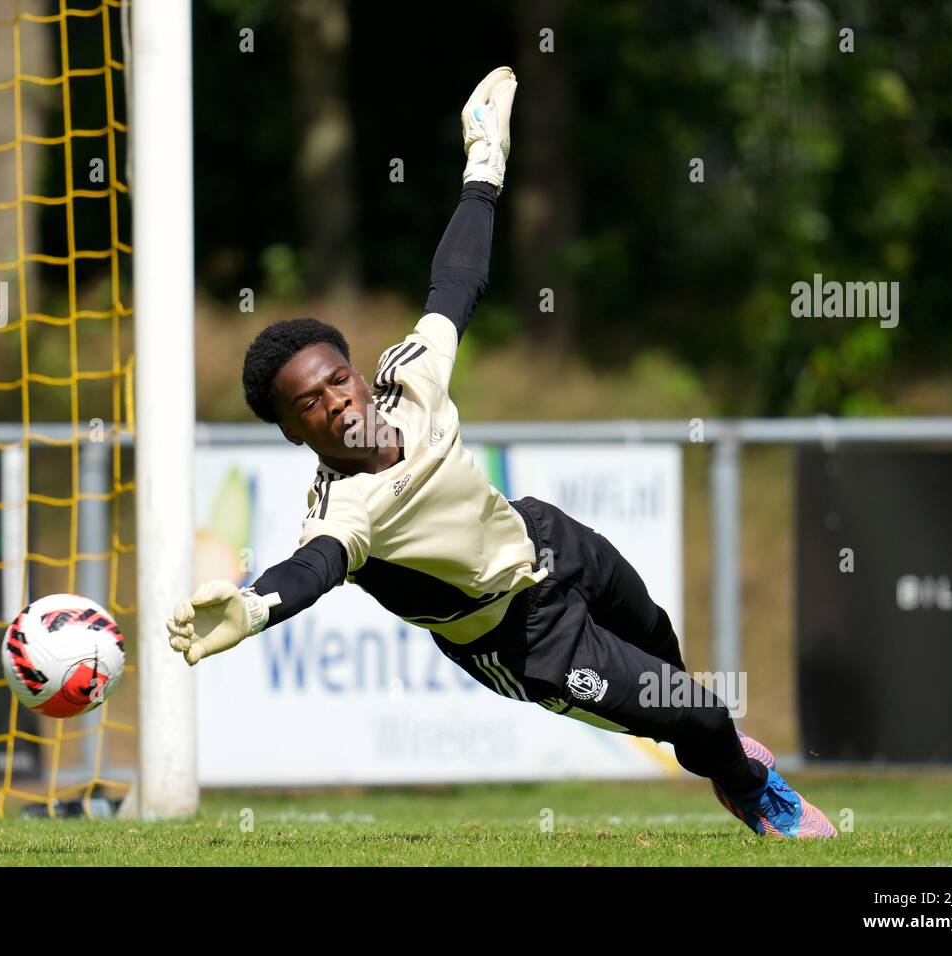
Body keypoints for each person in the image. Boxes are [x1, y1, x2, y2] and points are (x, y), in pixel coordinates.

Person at [167, 67, 836, 839]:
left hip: (548, 539)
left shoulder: (408, 381)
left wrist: (484, 167)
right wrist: (254, 606)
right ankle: (749, 787)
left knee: (657, 637)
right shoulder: (345, 509)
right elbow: (312, 570)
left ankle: (710, 746)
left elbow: (456, 283)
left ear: (356, 372)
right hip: (519, 638)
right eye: (308, 404)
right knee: (696, 711)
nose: (335, 402)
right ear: (293, 432)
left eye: (337, 380)